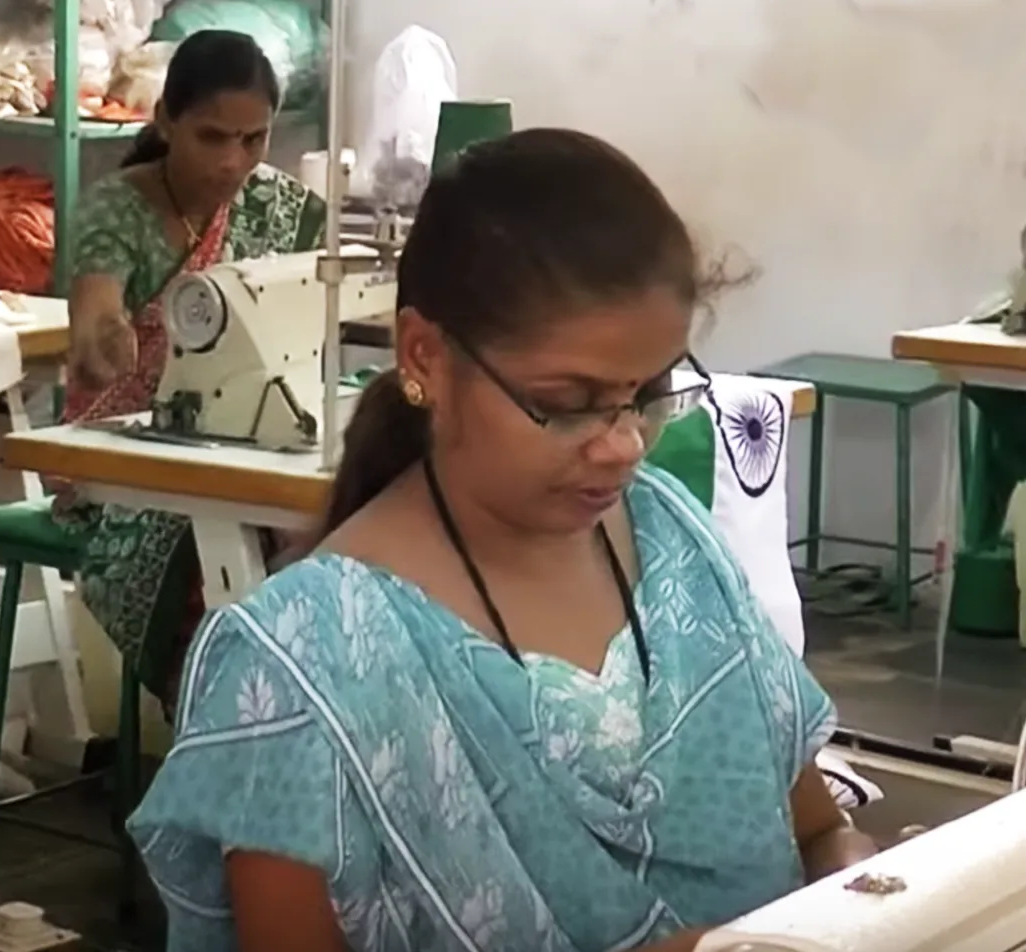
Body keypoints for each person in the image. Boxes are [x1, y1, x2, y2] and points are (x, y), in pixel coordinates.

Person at [127, 128, 878, 951]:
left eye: (648, 392)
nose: (623, 442)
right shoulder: (306, 666)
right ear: (425, 358)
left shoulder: (673, 545)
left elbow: (816, 834)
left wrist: (867, 899)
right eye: (567, 402)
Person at [59, 29, 326, 700]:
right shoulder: (117, 209)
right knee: (218, 539)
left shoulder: (280, 206)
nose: (235, 161)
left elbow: (338, 283)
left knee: (350, 519)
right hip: (124, 466)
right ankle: (220, 717)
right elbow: (94, 314)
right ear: (165, 121)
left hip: (244, 442)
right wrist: (102, 342)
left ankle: (301, 714)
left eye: (254, 139)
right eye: (213, 137)